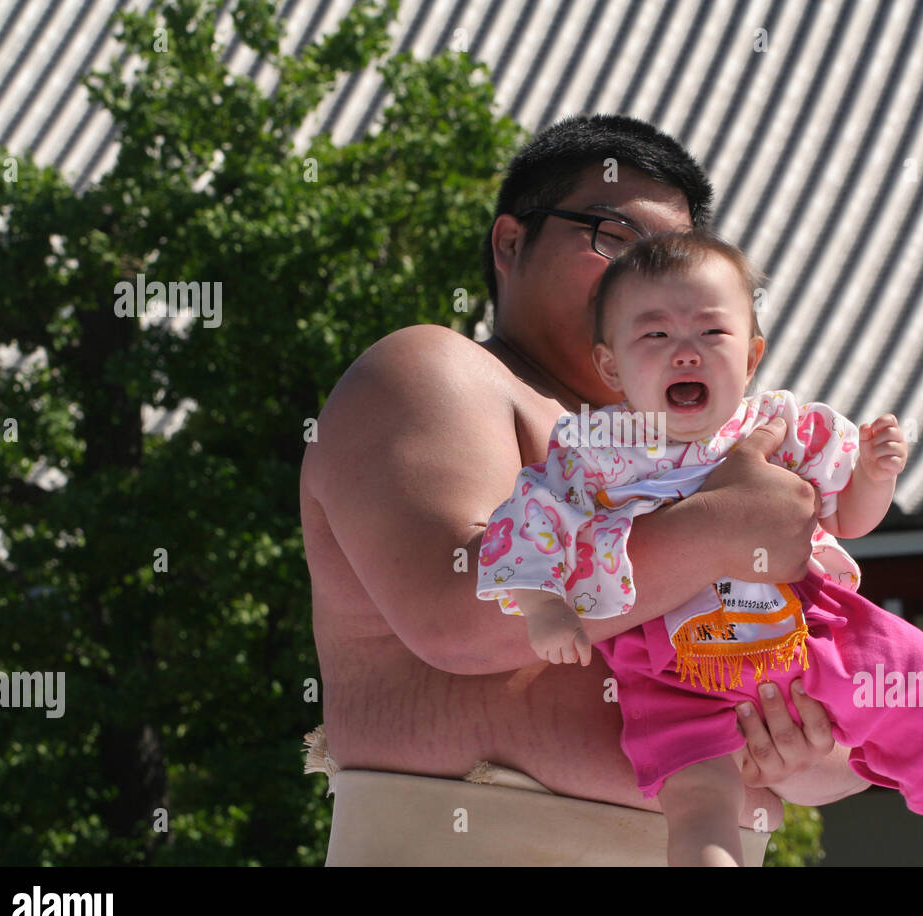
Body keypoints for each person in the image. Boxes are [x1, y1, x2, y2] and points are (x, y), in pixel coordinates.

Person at [299, 113, 871, 866]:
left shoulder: (700, 447)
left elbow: (831, 717)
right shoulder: (436, 370)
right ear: (511, 243)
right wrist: (715, 530)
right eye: (613, 235)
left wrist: (810, 752)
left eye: (670, 255)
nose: (642, 273)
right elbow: (455, 620)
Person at [477, 230, 923, 866]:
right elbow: (532, 522)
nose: (685, 352)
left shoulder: (777, 427)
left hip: (804, 628)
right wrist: (545, 605)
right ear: (611, 366)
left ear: (750, 357)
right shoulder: (593, 449)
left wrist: (873, 477)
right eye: (655, 334)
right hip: (669, 665)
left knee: (914, 676)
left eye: (711, 332)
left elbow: (847, 517)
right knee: (699, 795)